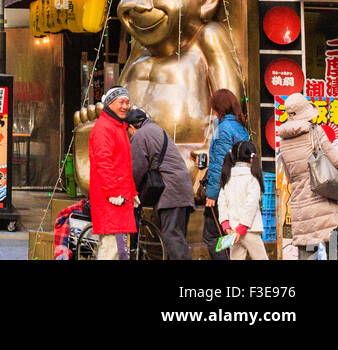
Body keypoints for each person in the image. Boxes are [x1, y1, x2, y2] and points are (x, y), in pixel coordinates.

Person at [278, 91, 338, 257]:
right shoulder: (316, 131)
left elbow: (289, 175)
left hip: (300, 207)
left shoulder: (283, 141)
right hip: (322, 202)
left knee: (307, 253)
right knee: (335, 251)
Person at [126, 107, 195, 261]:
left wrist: (130, 191)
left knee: (172, 237)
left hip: (171, 193)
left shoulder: (140, 136)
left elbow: (136, 169)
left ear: (131, 127)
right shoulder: (156, 129)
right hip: (182, 189)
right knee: (177, 237)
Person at [88, 86, 137, 261]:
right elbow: (104, 163)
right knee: (112, 247)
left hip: (120, 196)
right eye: (121, 102)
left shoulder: (118, 127)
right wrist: (112, 192)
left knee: (117, 246)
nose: (125, 106)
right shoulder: (105, 128)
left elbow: (123, 165)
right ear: (109, 104)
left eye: (127, 102)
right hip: (111, 197)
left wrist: (133, 192)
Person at [204, 89, 250, 261]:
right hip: (239, 187)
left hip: (224, 190)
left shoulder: (223, 129)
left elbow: (220, 164)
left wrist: (211, 194)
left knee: (213, 237)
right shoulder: (240, 127)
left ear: (217, 107)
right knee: (229, 235)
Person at [217, 140, 269, 261]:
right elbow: (250, 205)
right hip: (249, 229)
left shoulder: (227, 178)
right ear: (252, 158)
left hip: (232, 230)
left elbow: (221, 202)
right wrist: (242, 227)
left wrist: (226, 225)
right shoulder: (252, 179)